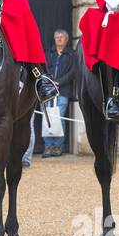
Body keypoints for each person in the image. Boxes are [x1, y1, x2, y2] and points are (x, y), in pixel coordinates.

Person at [43, 29, 75, 157]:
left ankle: (58, 146)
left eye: (62, 37)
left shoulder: (71, 54)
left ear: (66, 40)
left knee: (59, 118)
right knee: (47, 118)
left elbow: (73, 72)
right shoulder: (48, 53)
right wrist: (49, 82)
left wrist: (59, 82)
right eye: (57, 37)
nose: (59, 39)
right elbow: (42, 68)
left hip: (62, 91)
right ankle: (48, 146)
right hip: (47, 90)